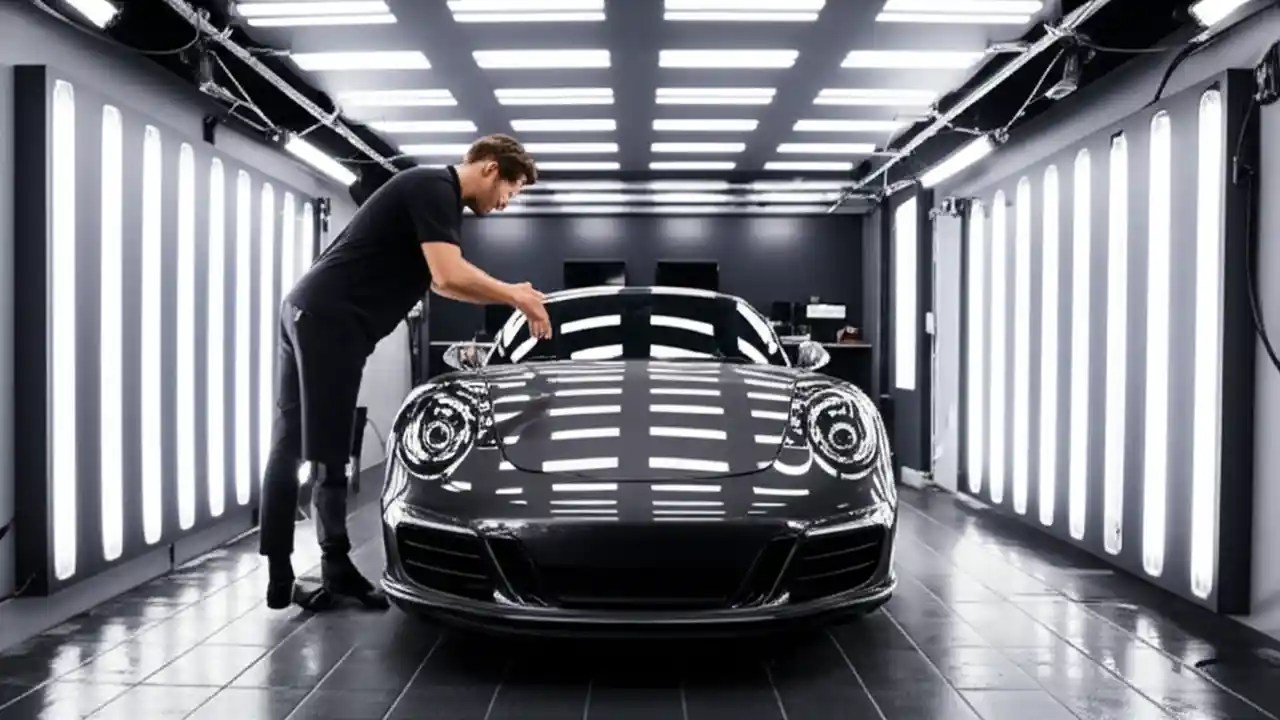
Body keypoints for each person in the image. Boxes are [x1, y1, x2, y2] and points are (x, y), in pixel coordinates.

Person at [259, 134, 553, 611]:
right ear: (492, 169)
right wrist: (516, 295)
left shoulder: (432, 196)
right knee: (329, 450)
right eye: (511, 192)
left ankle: (278, 577)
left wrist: (507, 296)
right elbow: (447, 275)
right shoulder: (434, 188)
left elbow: (450, 285)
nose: (506, 204)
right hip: (332, 320)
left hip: (306, 309)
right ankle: (335, 568)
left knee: (290, 440)